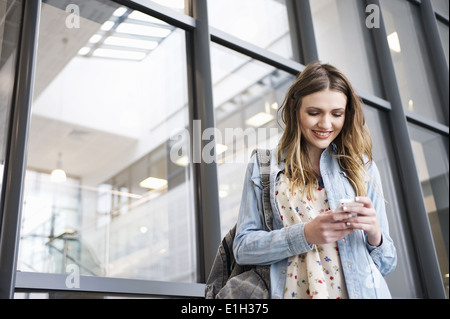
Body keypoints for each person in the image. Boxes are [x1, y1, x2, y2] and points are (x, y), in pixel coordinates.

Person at [233, 62, 397, 299]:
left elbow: (386, 263)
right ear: (294, 106)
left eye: (337, 114)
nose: (326, 124)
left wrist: (374, 233)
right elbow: (243, 249)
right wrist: (306, 234)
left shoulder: (362, 167)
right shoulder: (264, 166)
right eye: (314, 113)